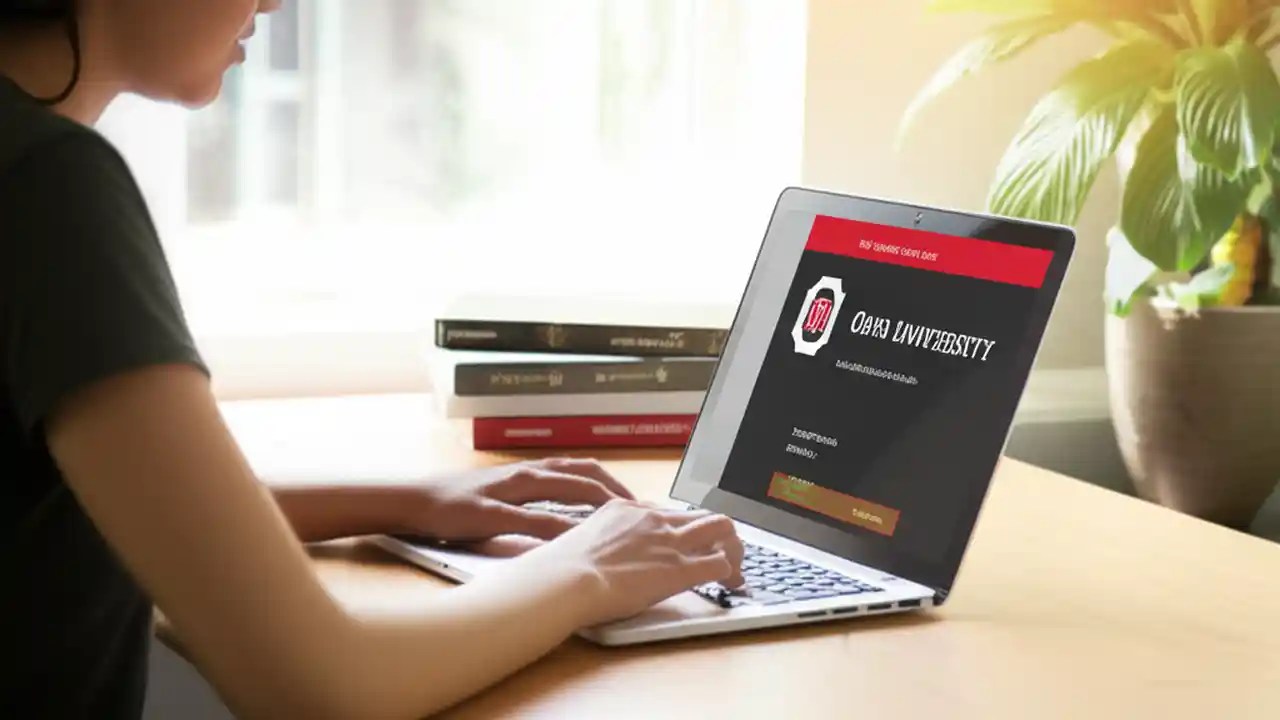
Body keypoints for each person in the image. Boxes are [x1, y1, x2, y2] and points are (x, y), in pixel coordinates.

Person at [0, 1, 745, 717]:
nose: (270, 5)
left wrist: (409, 502)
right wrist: (593, 564)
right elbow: (322, 687)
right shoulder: (48, 189)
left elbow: (130, 493)